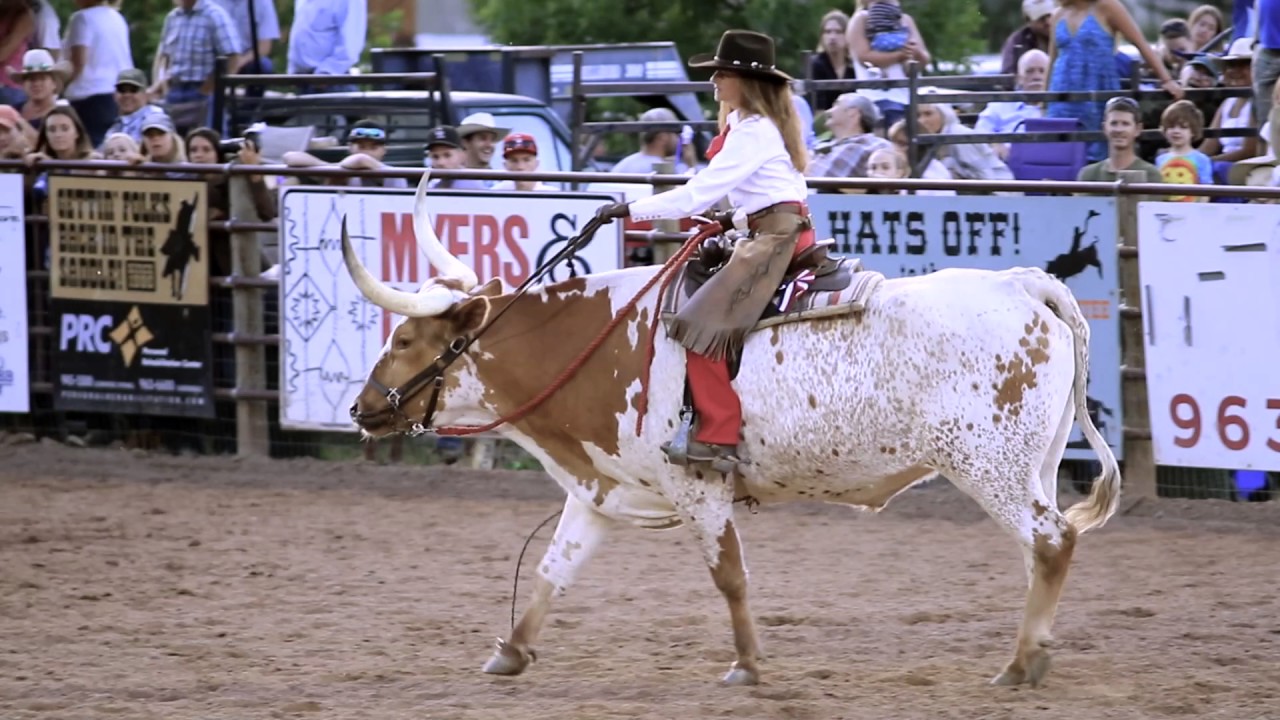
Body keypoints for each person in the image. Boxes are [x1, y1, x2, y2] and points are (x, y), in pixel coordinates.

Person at [594, 30, 813, 473]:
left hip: (776, 239)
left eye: (721, 73)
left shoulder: (754, 132)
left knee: (700, 325)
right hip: (769, 230)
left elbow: (696, 195)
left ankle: (717, 436)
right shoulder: (751, 127)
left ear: (743, 82)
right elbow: (764, 196)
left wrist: (628, 209)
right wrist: (731, 222)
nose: (713, 80)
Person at [1047, 0, 1182, 162]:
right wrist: (1042, 100)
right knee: (1061, 155)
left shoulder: (1108, 6)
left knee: (1100, 154)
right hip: (1063, 95)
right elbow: (1052, 60)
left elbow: (1140, 43)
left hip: (1097, 91)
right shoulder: (1058, 15)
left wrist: (1166, 79)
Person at [1076, 97, 1163, 183]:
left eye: (1125, 124)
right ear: (1104, 128)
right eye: (1114, 123)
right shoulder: (1088, 175)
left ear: (1137, 129)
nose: (1119, 130)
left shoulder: (1150, 174)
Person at [1156, 99, 1213, 201]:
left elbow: (1206, 191)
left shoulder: (1201, 159)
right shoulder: (1160, 159)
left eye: (1183, 127)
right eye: (1171, 127)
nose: (1176, 131)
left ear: (1193, 131)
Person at [1001, 0, 1054, 75]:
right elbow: (1008, 74)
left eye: (1050, 15)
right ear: (1028, 21)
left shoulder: (1063, 37)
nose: (1048, 22)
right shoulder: (1017, 41)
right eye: (1041, 19)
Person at [491, 133, 555, 191]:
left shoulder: (554, 195)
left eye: (526, 160)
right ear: (505, 165)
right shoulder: (496, 193)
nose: (520, 167)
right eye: (514, 161)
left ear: (536, 163)